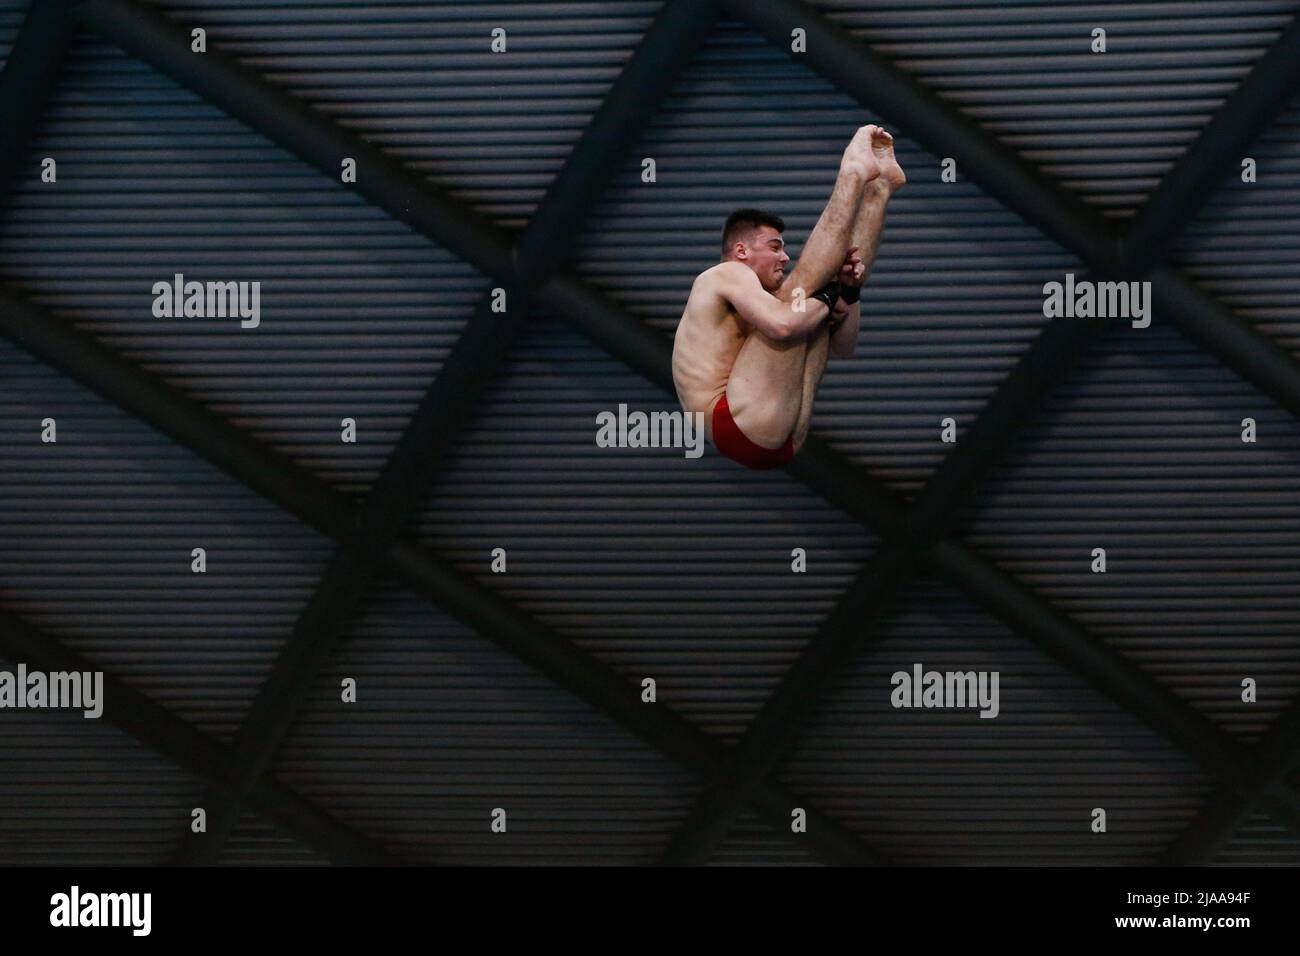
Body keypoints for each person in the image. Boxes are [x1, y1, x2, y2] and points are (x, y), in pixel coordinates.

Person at [671, 124, 905, 469]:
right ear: (741, 250)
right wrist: (828, 289)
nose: (784, 256)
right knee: (800, 297)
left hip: (778, 433)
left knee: (818, 310)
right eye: (775, 247)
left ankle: (879, 191)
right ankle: (853, 173)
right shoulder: (723, 275)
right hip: (735, 421)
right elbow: (782, 326)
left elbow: (844, 346)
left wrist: (847, 293)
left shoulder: (758, 296)